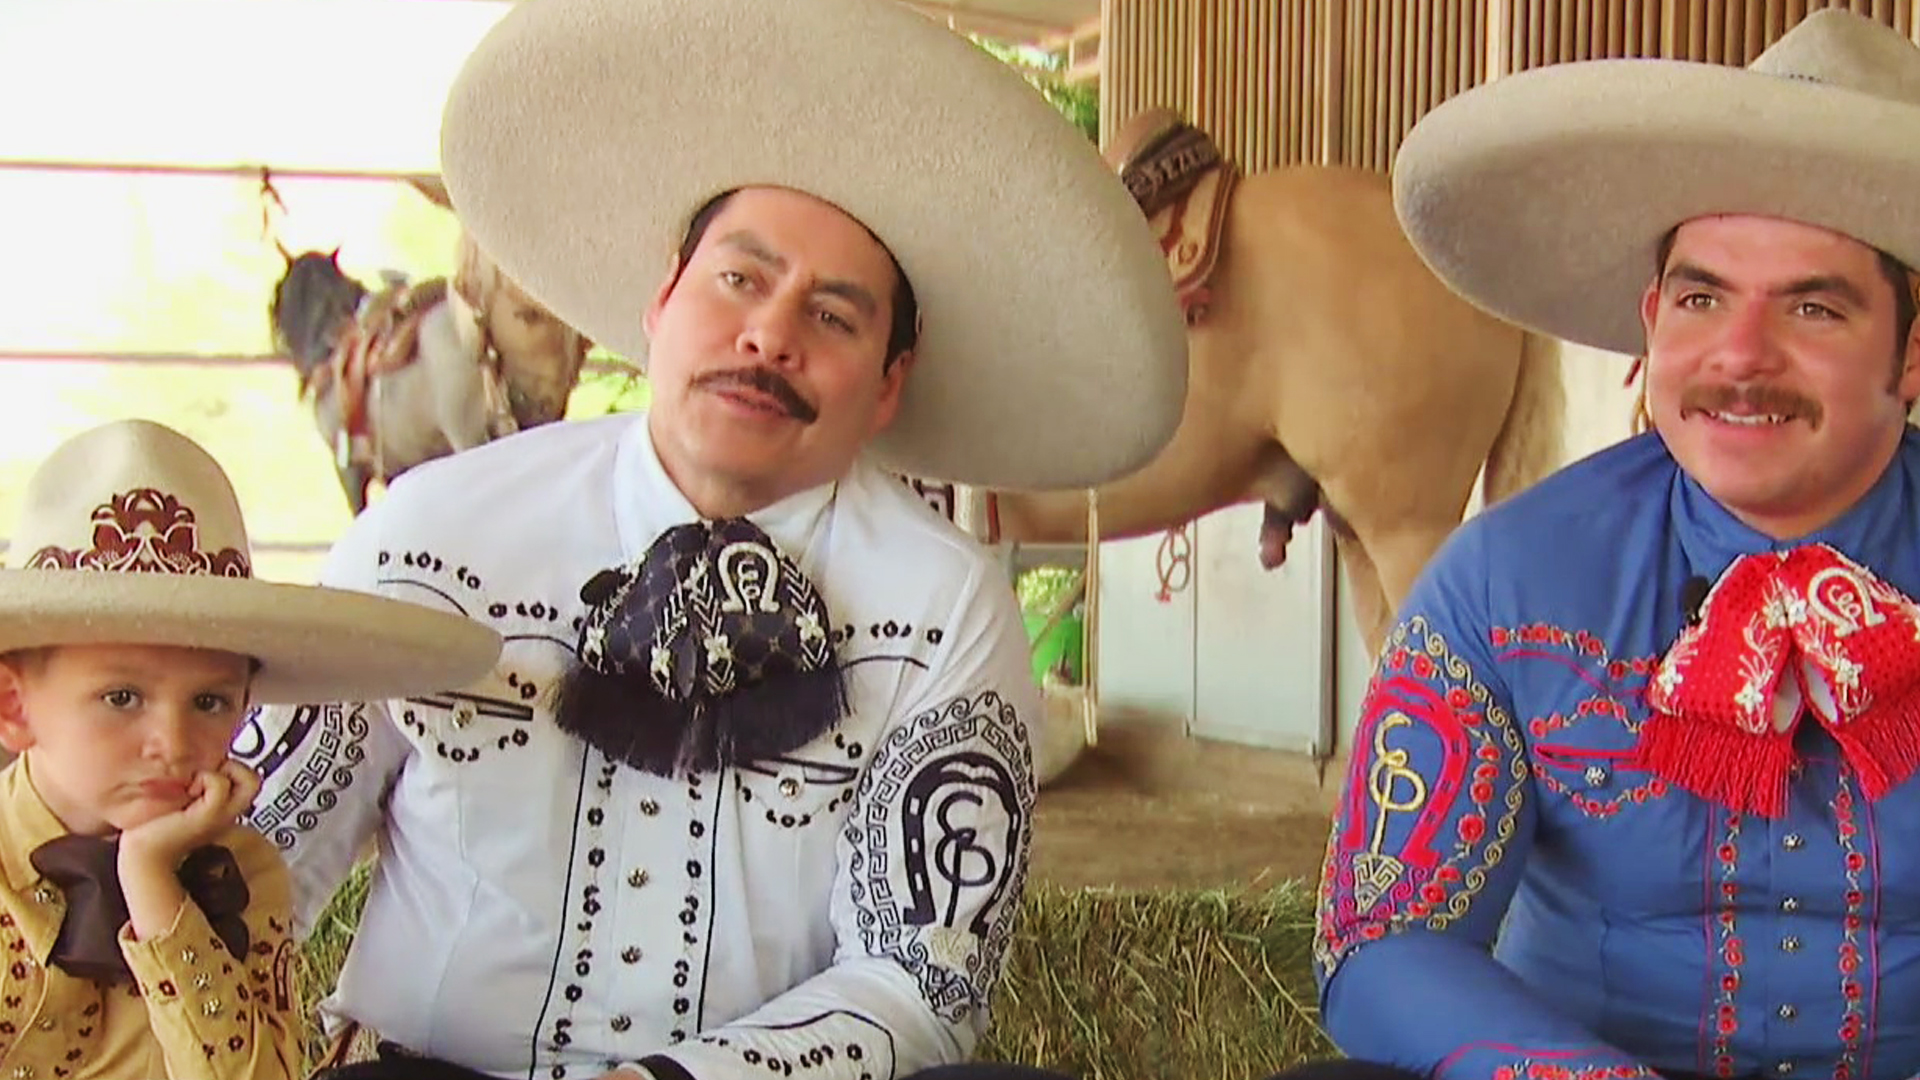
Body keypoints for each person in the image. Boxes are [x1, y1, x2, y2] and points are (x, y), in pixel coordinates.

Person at [235, 0, 1188, 1077]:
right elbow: (254, 865)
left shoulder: (942, 607)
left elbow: (921, 980)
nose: (770, 334)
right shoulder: (427, 536)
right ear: (660, 301)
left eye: (834, 317)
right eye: (740, 279)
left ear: (889, 385)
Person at [1304, 8, 1920, 1080]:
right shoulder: (1505, 581)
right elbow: (1380, 942)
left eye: (1813, 310)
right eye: (1701, 298)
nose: (1739, 357)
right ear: (1650, 322)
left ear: (1912, 357)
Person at [0, 418, 500, 1079]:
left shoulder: (240, 873)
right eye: (122, 697)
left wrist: (153, 886)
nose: (174, 744)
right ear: (13, 707)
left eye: (209, 702)